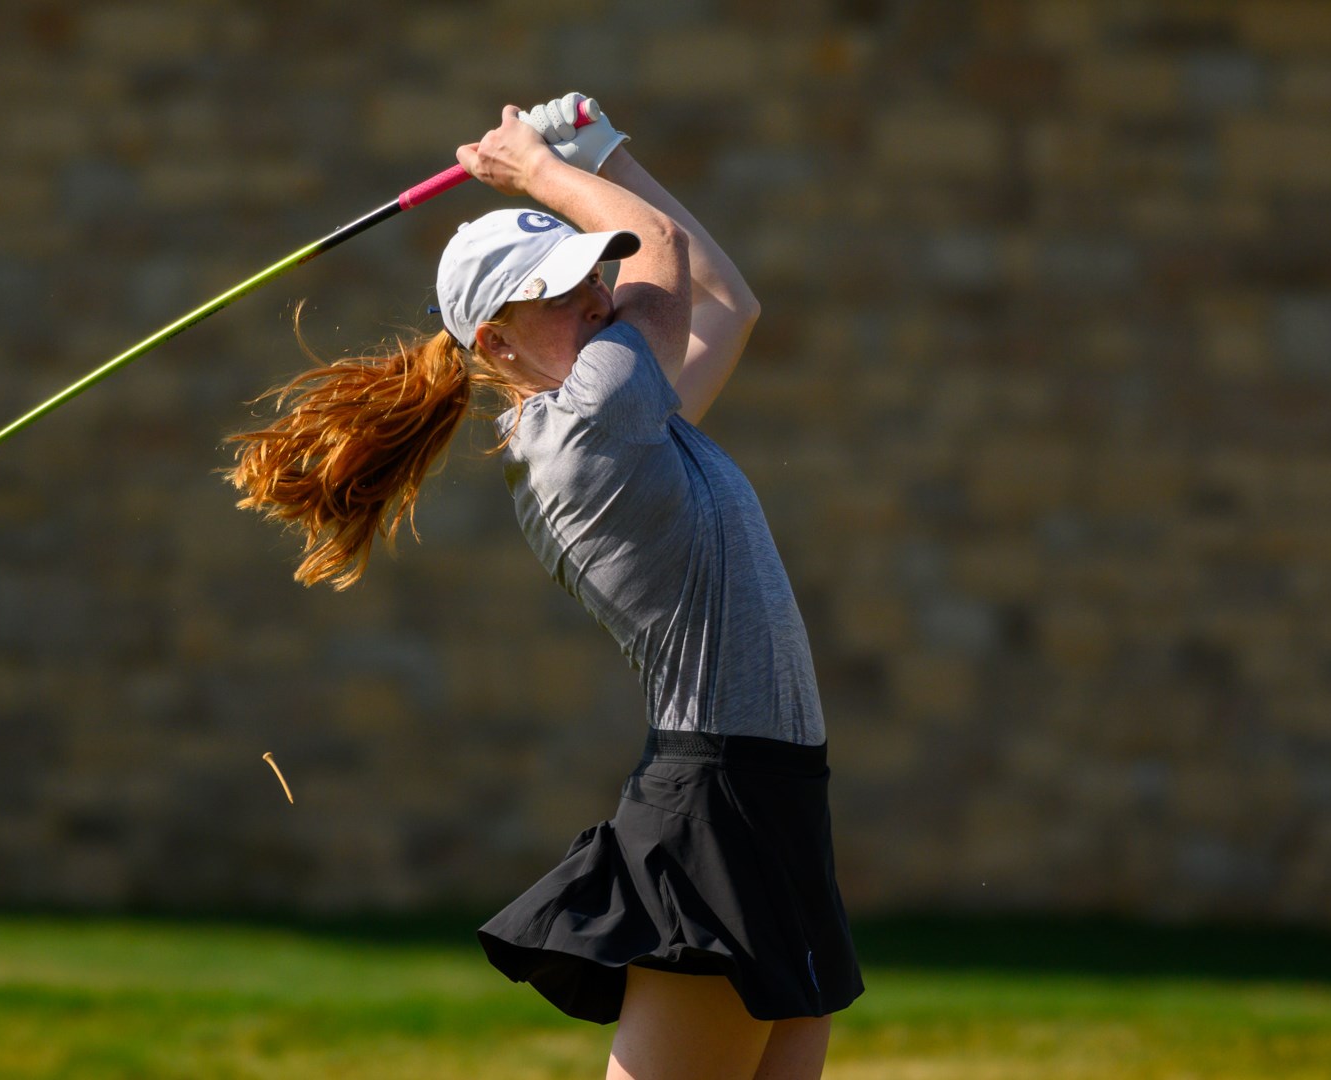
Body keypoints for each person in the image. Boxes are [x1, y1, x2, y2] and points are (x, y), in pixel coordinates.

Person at [226, 94, 862, 1080]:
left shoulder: (628, 416)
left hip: (773, 800)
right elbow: (655, 250)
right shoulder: (588, 427)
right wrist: (535, 169)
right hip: (720, 807)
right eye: (562, 293)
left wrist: (602, 152)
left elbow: (727, 302)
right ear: (496, 344)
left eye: (589, 276)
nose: (597, 298)